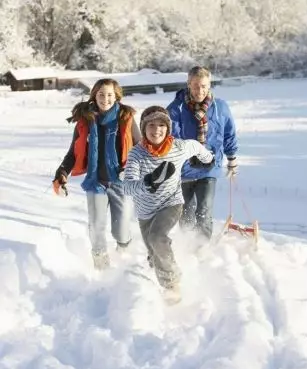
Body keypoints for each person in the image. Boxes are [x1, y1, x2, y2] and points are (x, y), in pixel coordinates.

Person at [121, 106, 214, 304]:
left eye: (162, 125)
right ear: (144, 128)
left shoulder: (179, 147)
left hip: (171, 203)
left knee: (157, 237)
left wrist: (207, 160)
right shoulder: (136, 154)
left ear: (168, 127)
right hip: (145, 211)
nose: (157, 130)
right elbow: (127, 187)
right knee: (153, 252)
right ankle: (159, 262)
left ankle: (172, 284)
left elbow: (197, 147)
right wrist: (146, 183)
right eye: (151, 125)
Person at [52, 78, 140, 270]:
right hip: (95, 182)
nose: (105, 98)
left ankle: (124, 252)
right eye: (101, 94)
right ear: (94, 96)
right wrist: (62, 172)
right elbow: (73, 153)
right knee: (96, 227)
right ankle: (102, 268)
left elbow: (140, 148)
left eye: (109, 95)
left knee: (121, 229)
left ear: (116, 96)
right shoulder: (85, 121)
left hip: (121, 182)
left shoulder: (126, 118)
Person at [167, 66, 238, 241]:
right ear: (189, 84)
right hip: (184, 170)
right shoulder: (176, 109)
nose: (201, 90)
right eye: (196, 86)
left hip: (210, 168)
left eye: (204, 86)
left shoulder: (220, 107)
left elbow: (229, 133)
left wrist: (232, 158)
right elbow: (170, 140)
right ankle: (188, 244)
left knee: (204, 210)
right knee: (187, 213)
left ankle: (203, 247)